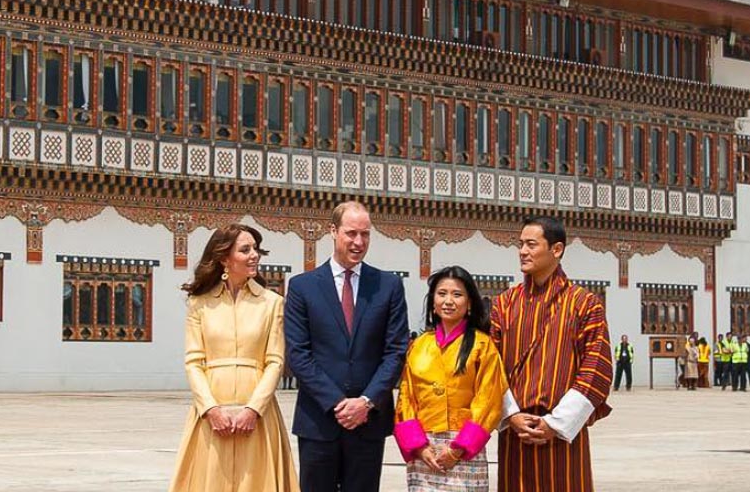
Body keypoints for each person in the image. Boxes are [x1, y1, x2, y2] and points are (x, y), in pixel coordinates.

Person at [284, 201, 409, 492]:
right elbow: (299, 354)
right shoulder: (303, 287)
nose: (358, 242)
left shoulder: (388, 286)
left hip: (369, 422)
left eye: (365, 234)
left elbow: (395, 351)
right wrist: (337, 403)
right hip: (318, 420)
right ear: (333, 231)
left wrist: (365, 402)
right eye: (351, 233)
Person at [168, 224, 298, 492]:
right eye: (245, 250)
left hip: (258, 414)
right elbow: (193, 361)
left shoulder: (272, 302)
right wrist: (210, 409)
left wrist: (253, 409)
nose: (254, 256)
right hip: (212, 411)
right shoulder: (199, 303)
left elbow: (275, 361)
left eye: (255, 250)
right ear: (224, 258)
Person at [490, 216, 613, 492]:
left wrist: (555, 423)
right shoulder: (504, 304)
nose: (522, 251)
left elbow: (597, 369)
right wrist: (511, 416)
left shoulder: (584, 304)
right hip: (516, 434)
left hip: (562, 436)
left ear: (556, 250)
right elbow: (489, 367)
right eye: (520, 244)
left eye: (531, 244)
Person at [394, 266, 508, 492]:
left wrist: (458, 448)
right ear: (433, 302)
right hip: (423, 448)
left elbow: (489, 400)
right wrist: (419, 446)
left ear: (469, 303)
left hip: (464, 450)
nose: (448, 301)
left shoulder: (482, 345)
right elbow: (406, 398)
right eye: (441, 293)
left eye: (457, 294)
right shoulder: (418, 346)